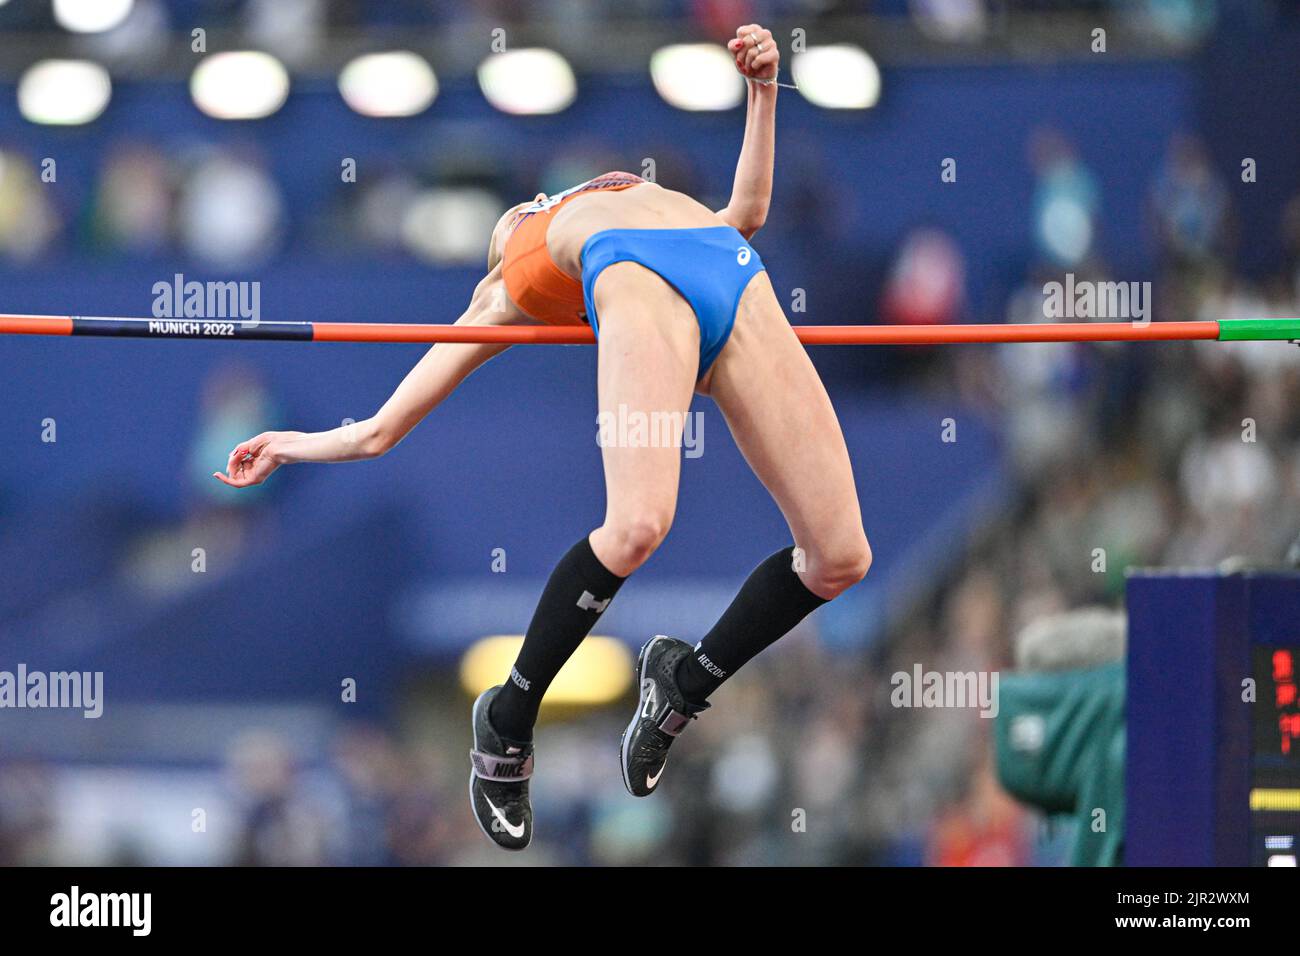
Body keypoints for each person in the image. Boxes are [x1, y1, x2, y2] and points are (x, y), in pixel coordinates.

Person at [214, 24, 871, 851]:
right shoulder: (505, 286)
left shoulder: (618, 200)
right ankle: (509, 714)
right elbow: (382, 429)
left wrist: (764, 91)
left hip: (730, 271)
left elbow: (747, 212)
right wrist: (290, 443)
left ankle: (683, 681)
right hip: (634, 275)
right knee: (637, 525)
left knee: (841, 554)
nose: (517, 214)